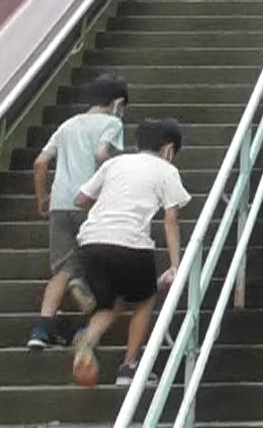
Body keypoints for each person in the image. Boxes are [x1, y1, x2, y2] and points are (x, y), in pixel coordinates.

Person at [68, 119, 191, 388]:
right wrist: (175, 265)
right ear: (168, 149)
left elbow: (80, 199)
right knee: (146, 298)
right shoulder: (166, 170)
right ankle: (129, 367)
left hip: (91, 242)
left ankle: (87, 339)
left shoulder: (115, 163)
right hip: (131, 243)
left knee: (111, 303)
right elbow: (171, 219)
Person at [28, 76, 127, 350]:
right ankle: (88, 314)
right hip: (91, 203)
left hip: (60, 204)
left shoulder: (68, 125)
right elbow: (100, 154)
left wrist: (42, 197)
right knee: (103, 262)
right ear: (117, 103)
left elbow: (40, 163)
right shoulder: (112, 123)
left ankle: (41, 330)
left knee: (62, 269)